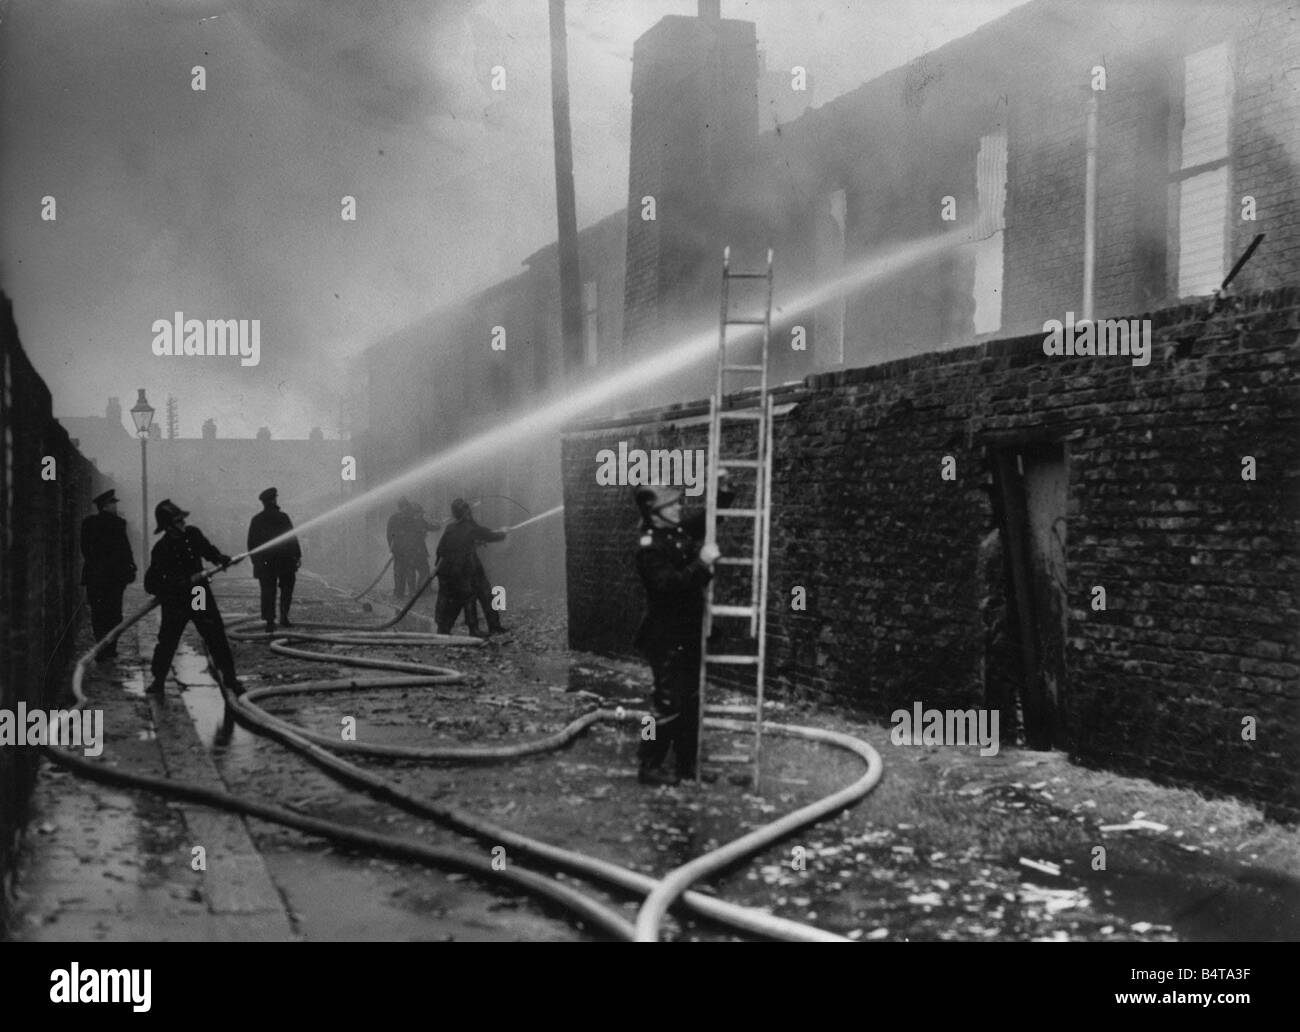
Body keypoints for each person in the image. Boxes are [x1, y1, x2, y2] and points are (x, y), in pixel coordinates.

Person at [631, 475, 729, 786]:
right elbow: (668, 587)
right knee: (666, 704)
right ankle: (648, 765)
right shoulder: (648, 548)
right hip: (664, 636)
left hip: (688, 633)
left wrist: (724, 491)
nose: (679, 508)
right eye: (671, 505)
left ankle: (687, 768)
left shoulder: (676, 531)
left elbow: (707, 519)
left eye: (677, 503)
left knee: (690, 702)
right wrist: (701, 563)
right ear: (654, 512)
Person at [143, 499, 244, 697]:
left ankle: (231, 679)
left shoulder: (193, 535)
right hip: (177, 600)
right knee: (168, 640)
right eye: (178, 521)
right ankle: (158, 680)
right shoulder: (161, 549)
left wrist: (220, 559)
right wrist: (176, 584)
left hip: (198, 593)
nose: (183, 524)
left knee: (215, 634)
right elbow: (151, 583)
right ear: (168, 526)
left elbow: (208, 550)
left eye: (182, 520)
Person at [435, 497, 505, 637]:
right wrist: (503, 532)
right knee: (475, 596)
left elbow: (441, 549)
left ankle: (445, 628)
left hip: (454, 570)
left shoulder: (451, 528)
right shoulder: (471, 527)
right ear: (466, 512)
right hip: (467, 568)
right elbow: (489, 535)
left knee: (463, 598)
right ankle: (481, 628)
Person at [79, 489, 137, 659]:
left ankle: (100, 649)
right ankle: (110, 648)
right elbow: (125, 550)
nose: (116, 506)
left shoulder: (88, 523)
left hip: (95, 577)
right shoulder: (118, 523)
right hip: (114, 578)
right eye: (114, 503)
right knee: (114, 613)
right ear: (106, 505)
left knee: (98, 613)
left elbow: (84, 548)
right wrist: (130, 567)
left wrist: (95, 564)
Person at [246, 487, 302, 634]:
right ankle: (284, 616)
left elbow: (251, 544)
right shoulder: (283, 517)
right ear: (274, 500)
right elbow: (292, 538)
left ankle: (270, 622)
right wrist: (297, 556)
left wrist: (256, 562)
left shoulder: (256, 520)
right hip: (285, 561)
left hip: (265, 564)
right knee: (286, 589)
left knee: (267, 592)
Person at [386, 499, 414, 599]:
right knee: (399, 571)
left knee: (408, 570)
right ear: (402, 507)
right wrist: (392, 547)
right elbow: (390, 534)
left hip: (407, 549)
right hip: (399, 549)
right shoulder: (394, 518)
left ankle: (410, 592)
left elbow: (413, 533)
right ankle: (399, 592)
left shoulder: (409, 518)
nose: (408, 509)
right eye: (406, 506)